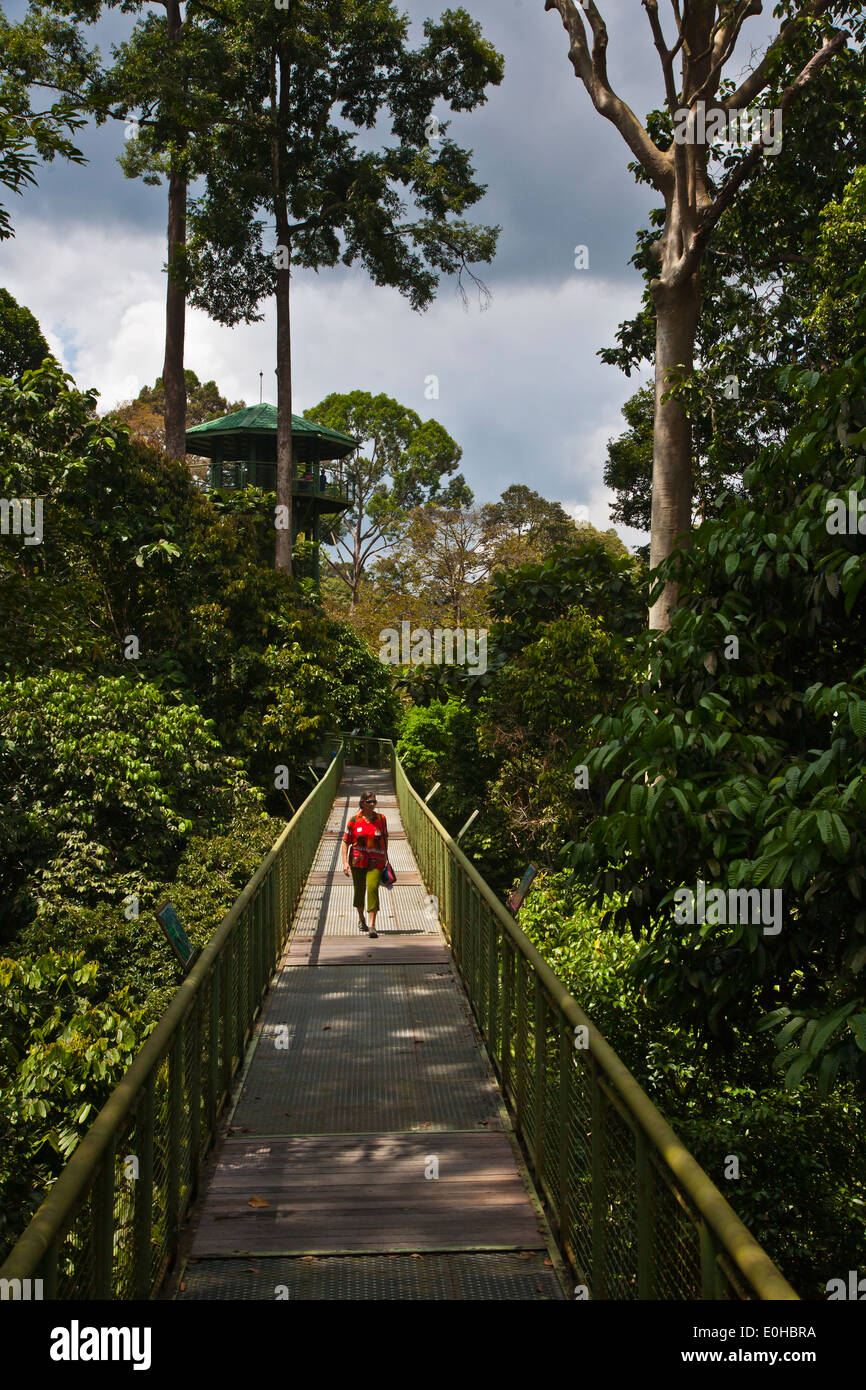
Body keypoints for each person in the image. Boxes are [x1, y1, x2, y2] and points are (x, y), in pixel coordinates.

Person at [342, 791, 388, 938]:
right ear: (362, 803)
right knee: (359, 890)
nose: (372, 804)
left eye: (374, 802)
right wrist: (344, 862)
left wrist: (386, 856)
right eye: (369, 802)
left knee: (373, 887)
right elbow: (345, 841)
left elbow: (385, 838)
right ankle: (362, 919)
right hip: (357, 860)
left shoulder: (381, 819)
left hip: (376, 861)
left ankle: (372, 925)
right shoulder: (354, 821)